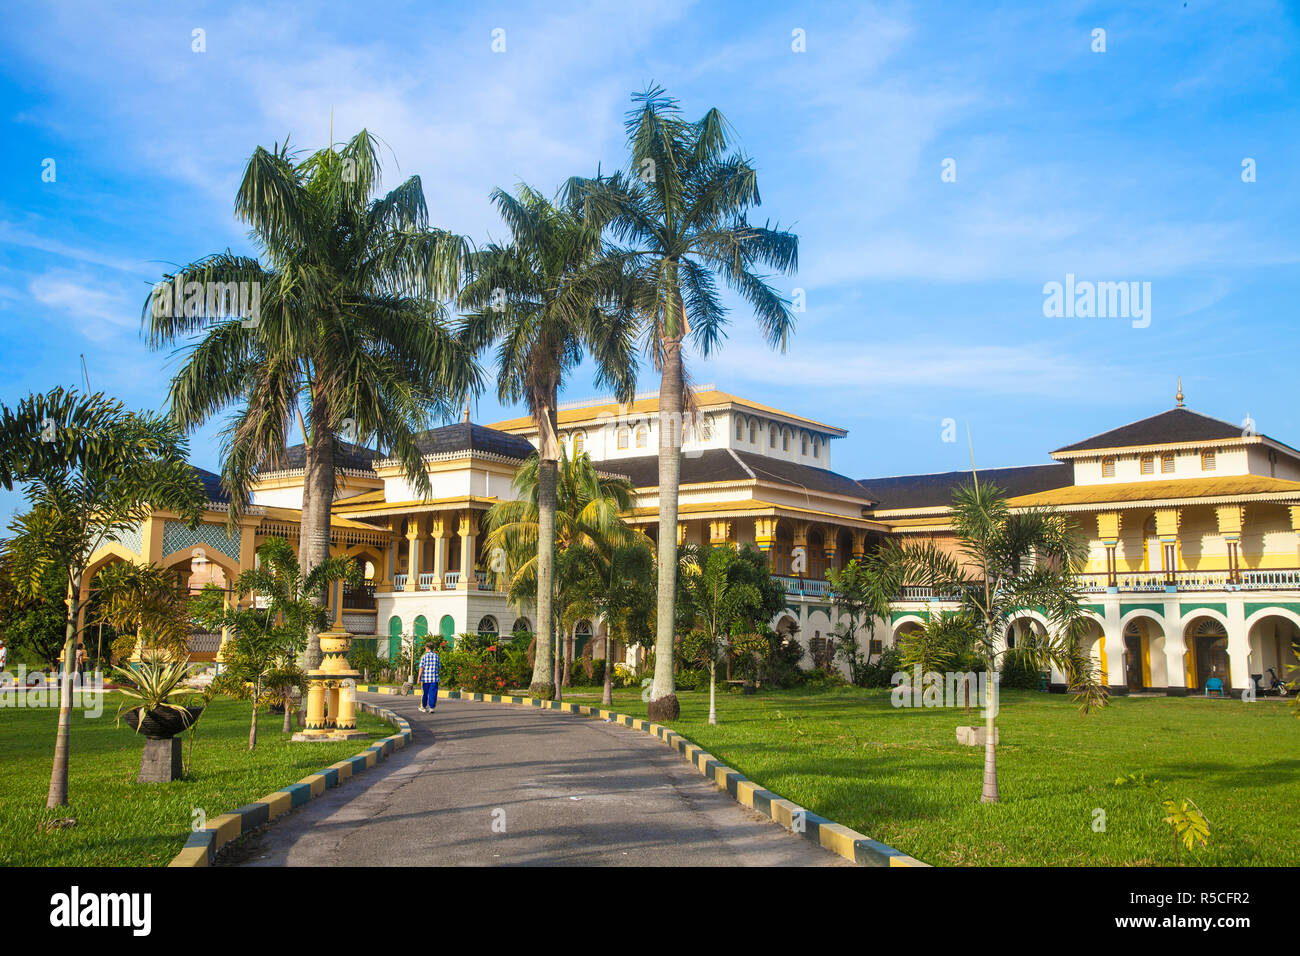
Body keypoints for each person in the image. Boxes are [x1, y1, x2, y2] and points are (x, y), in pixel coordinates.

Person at [416, 641, 441, 713]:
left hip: (425, 679)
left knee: (424, 693)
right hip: (434, 678)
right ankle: (431, 708)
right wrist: (437, 674)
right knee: (433, 693)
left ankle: (423, 707)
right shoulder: (436, 656)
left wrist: (418, 678)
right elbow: (439, 667)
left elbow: (421, 667)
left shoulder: (424, 657)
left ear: (427, 648)